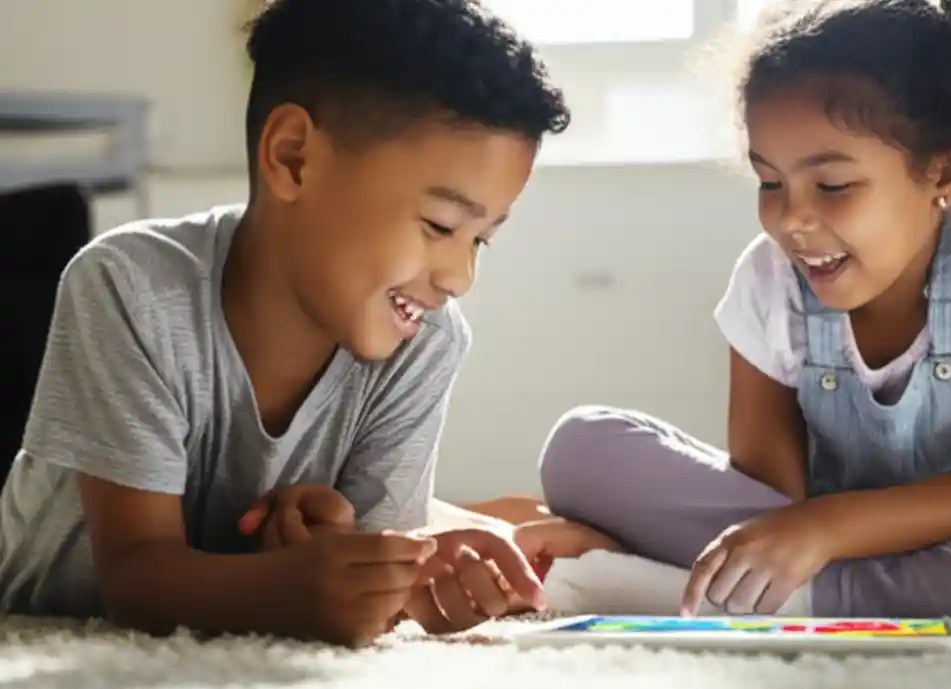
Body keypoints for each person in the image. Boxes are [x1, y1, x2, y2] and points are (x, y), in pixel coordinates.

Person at [530, 0, 951, 619]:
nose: (791, 219)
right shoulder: (768, 281)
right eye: (771, 180)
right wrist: (797, 530)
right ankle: (776, 584)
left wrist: (824, 533)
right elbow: (766, 498)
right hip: (805, 527)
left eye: (832, 184)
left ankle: (807, 597)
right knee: (581, 446)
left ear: (947, 172)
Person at [0, 0, 570, 647]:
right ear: (294, 157)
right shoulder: (129, 285)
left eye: (480, 240)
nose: (459, 276)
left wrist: (393, 570)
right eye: (440, 226)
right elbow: (135, 579)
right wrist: (288, 587)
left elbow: (375, 552)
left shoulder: (428, 342)